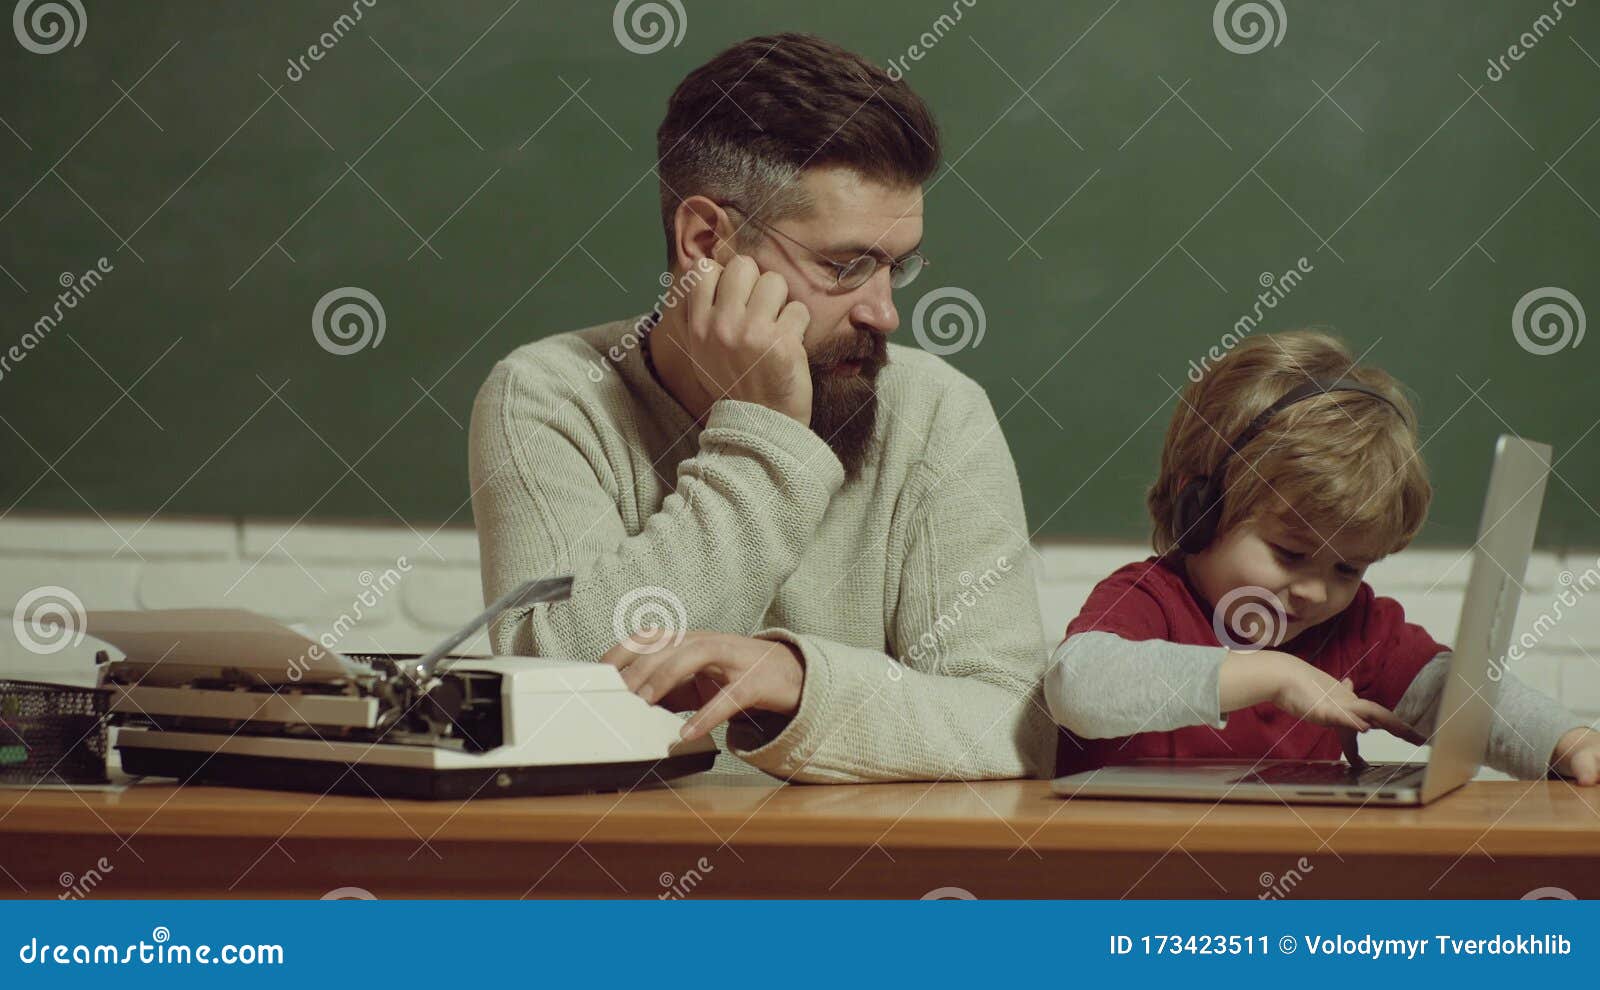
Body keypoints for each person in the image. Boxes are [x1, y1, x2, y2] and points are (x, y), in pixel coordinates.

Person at [469, 34, 1053, 783]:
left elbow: (1015, 728)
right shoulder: (552, 396)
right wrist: (767, 437)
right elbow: (558, 694)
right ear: (707, 241)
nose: (885, 313)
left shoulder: (940, 412)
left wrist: (801, 684)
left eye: (896, 267)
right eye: (845, 266)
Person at [1044, 330, 1600, 783]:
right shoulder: (1149, 600)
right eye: (1290, 553)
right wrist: (1273, 674)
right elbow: (1077, 686)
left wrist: (1566, 740)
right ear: (1201, 512)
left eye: (1347, 568)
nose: (1316, 591)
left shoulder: (1353, 627)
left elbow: (1448, 692)